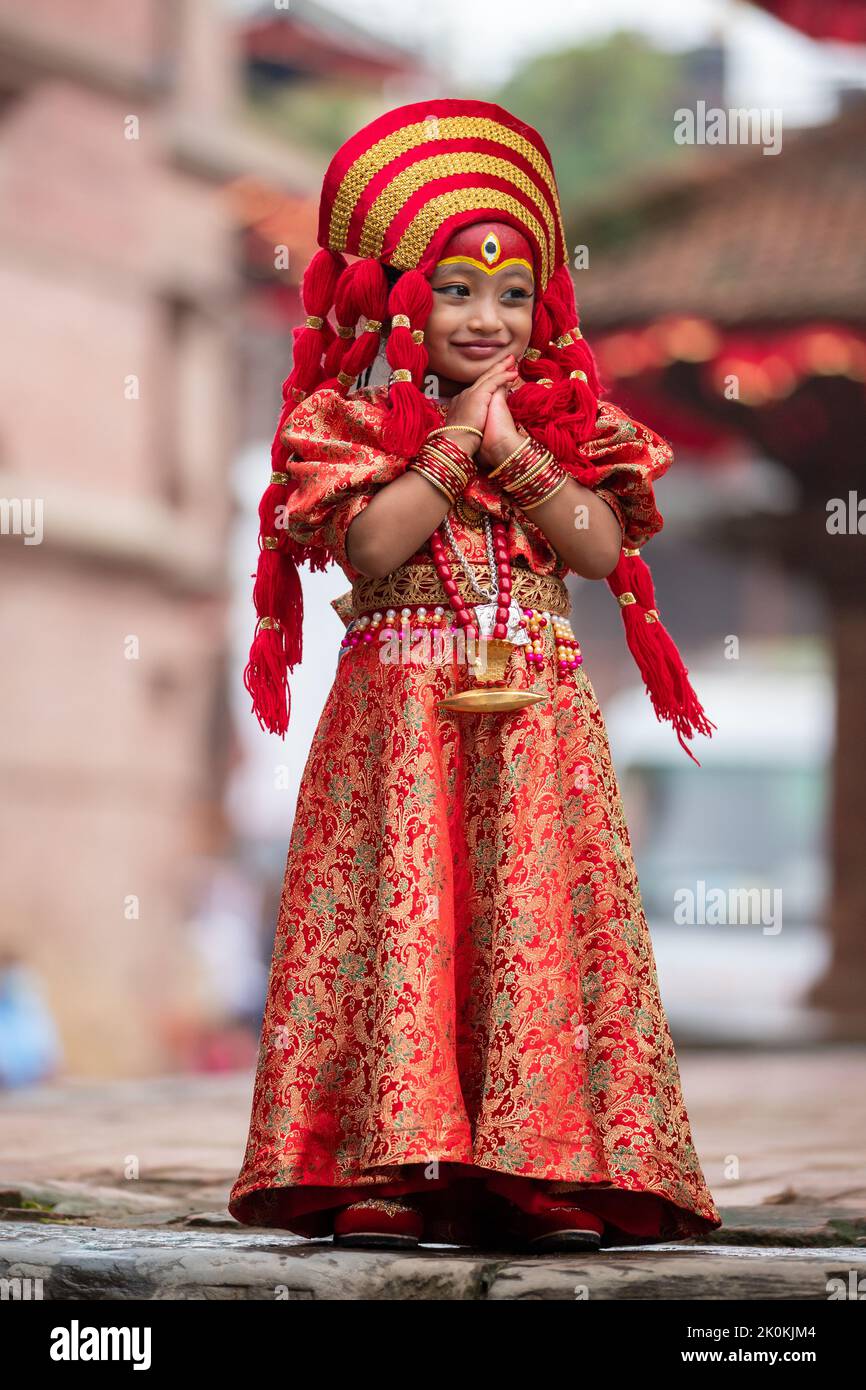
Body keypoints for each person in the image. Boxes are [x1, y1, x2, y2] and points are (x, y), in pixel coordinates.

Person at [228, 98, 721, 1253]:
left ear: (541, 306)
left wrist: (512, 445)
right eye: (455, 289)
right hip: (397, 722)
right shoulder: (348, 419)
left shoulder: (563, 424)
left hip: (536, 719)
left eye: (510, 293)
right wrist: (453, 439)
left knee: (531, 925)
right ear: (400, 299)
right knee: (396, 927)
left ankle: (534, 1163)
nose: (486, 317)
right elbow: (366, 548)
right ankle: (382, 1163)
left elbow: (600, 548)